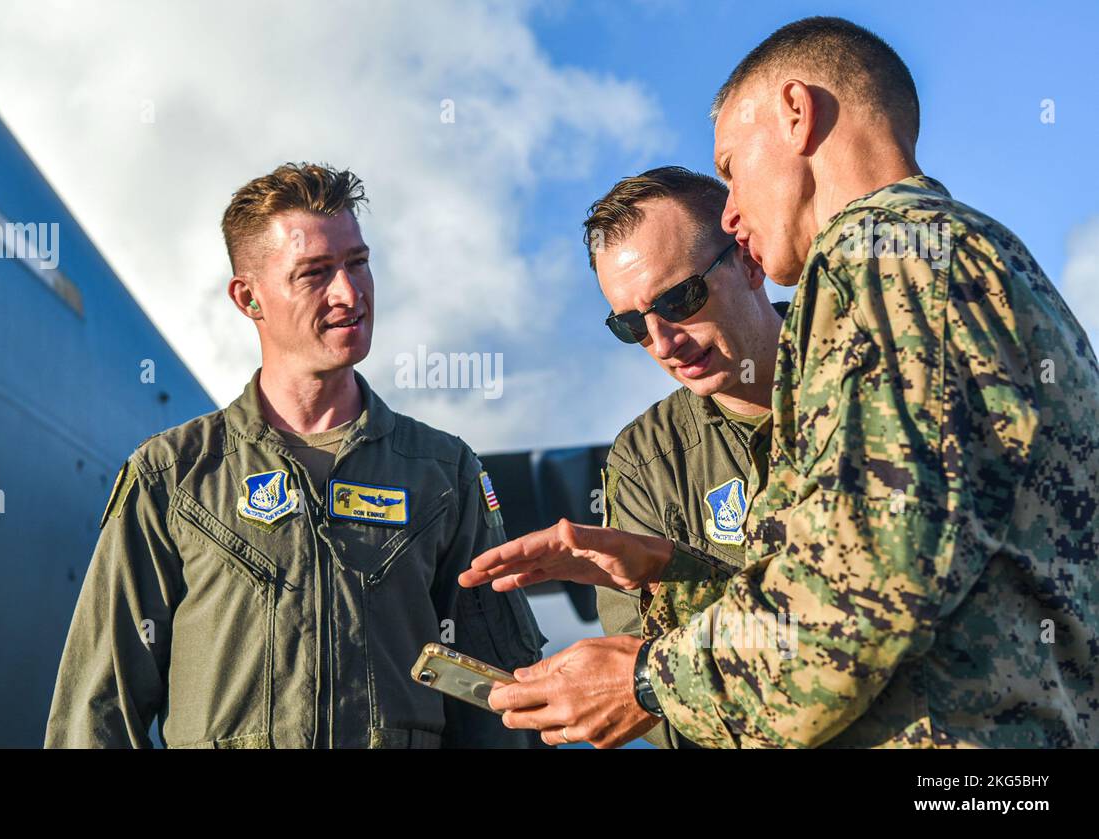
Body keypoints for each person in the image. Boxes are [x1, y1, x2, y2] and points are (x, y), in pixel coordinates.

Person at [462, 17, 1099, 748]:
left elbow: (856, 601)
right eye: (631, 325)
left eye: (732, 166)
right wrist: (670, 568)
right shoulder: (970, 253)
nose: (733, 210)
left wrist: (645, 679)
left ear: (797, 112)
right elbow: (925, 570)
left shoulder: (877, 258)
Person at [46, 162, 546, 748]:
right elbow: (97, 709)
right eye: (315, 273)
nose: (349, 292)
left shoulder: (441, 473)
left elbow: (495, 700)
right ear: (249, 297)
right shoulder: (171, 477)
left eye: (357, 262)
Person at [583, 167, 784, 748]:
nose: (663, 342)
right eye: (631, 326)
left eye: (679, 299)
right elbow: (639, 684)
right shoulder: (646, 460)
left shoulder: (869, 377)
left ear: (749, 260)